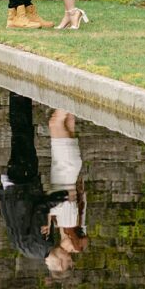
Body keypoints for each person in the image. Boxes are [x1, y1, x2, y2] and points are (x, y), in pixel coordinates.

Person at [0, 93, 67, 265]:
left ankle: (19, 94)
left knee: (23, 134)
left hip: (24, 186)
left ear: (59, 263)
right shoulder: (26, 251)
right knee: (20, 135)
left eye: (67, 258)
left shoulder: (45, 243)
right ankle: (20, 96)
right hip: (13, 191)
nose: (67, 253)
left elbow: (38, 210)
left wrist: (60, 198)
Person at [44, 108, 88, 277]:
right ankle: (68, 92)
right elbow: (61, 203)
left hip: (67, 168)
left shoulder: (66, 228)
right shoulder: (68, 225)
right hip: (66, 169)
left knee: (67, 124)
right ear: (61, 264)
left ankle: (73, 100)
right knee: (55, 123)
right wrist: (47, 219)